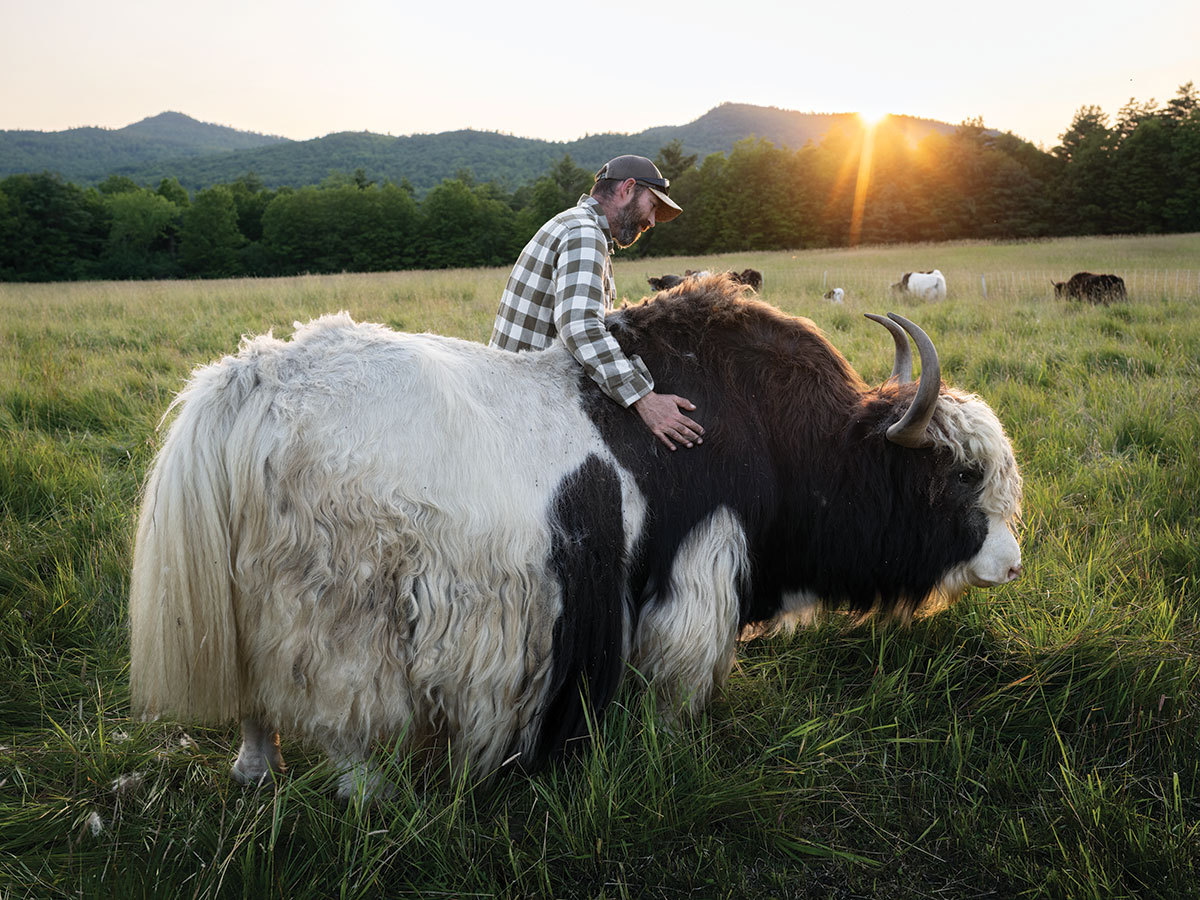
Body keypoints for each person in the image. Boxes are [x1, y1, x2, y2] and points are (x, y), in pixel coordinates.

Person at [489, 155, 704, 451]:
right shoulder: (585, 233)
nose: (652, 222)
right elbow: (580, 327)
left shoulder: (573, 224)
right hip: (525, 408)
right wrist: (644, 399)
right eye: (653, 206)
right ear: (627, 189)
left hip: (511, 397)